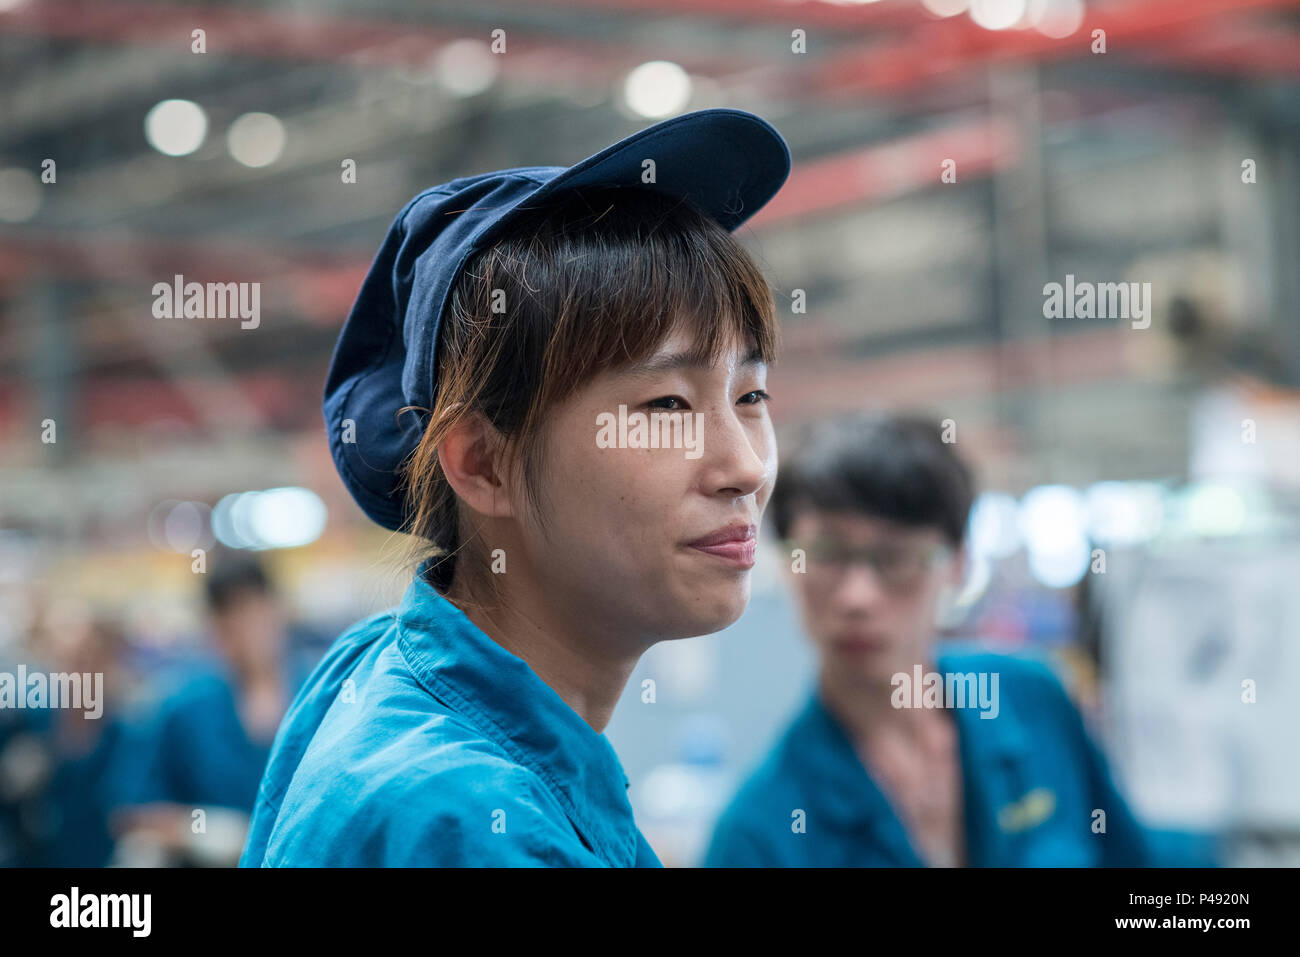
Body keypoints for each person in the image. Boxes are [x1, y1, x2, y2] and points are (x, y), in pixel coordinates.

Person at [240, 109, 791, 867]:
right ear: (483, 464)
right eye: (667, 405)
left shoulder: (380, 668)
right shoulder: (463, 823)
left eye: (751, 398)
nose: (746, 468)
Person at [704, 412, 1158, 867]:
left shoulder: (1031, 699)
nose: (857, 596)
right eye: (826, 555)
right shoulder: (758, 837)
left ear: (958, 565)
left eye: (896, 556)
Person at [112, 551, 307, 866]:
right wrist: (199, 829)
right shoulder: (182, 708)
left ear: (277, 607)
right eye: (229, 617)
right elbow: (132, 811)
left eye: (252, 609)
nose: (246, 628)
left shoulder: (321, 694)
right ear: (214, 626)